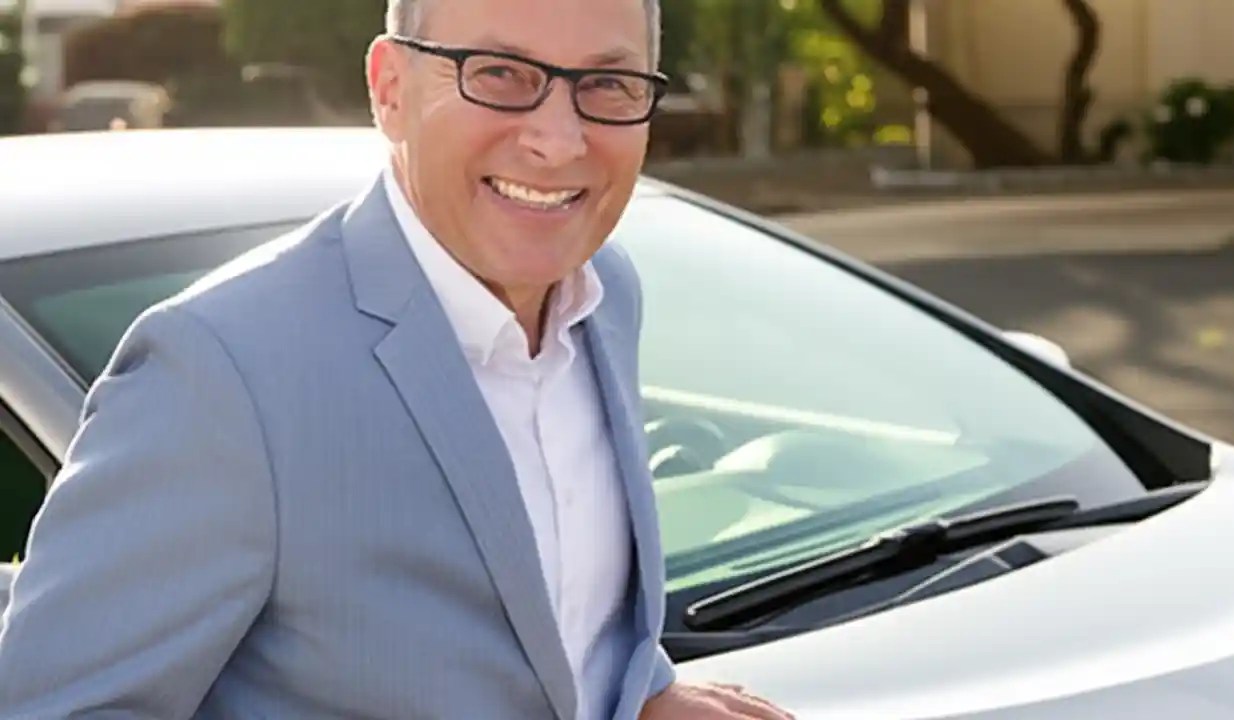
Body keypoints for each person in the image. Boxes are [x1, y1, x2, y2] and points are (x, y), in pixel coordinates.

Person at [0, 0, 794, 718]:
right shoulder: (220, 371)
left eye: (610, 86)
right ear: (389, 88)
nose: (558, 139)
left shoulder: (603, 289)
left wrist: (640, 695)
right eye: (500, 74)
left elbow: (542, 612)